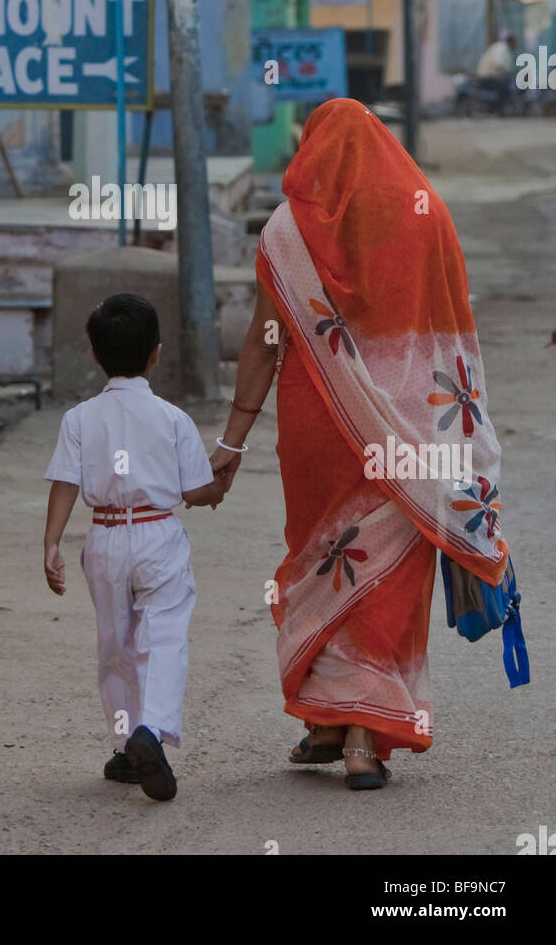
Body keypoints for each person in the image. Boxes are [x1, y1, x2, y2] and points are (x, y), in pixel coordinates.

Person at [210, 98, 510, 790]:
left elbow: (264, 343)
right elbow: (449, 333)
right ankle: (359, 742)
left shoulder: (288, 233)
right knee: (390, 570)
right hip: (411, 430)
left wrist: (231, 444)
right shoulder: (425, 214)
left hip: (320, 432)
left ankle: (327, 719)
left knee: (325, 560)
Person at [43, 293, 224, 801]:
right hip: (158, 534)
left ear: (96, 355)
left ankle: (126, 748)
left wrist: (52, 543)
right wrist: (220, 484)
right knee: (164, 637)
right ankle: (153, 730)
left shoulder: (79, 418)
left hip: (103, 536)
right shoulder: (173, 419)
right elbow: (195, 491)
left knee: (114, 644)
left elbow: (64, 483)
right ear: (156, 354)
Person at [476, 29, 517, 112]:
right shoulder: (502, 48)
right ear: (510, 40)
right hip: (489, 76)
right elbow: (499, 64)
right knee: (507, 86)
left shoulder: (502, 48)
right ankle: (500, 108)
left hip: (489, 76)